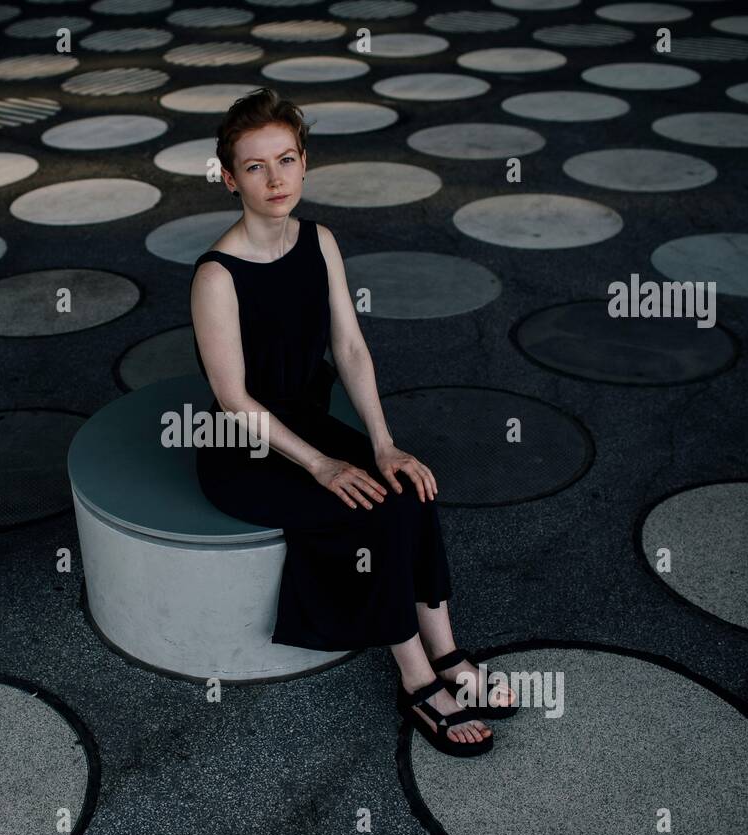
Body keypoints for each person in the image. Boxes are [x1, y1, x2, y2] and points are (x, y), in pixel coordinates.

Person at [189, 88, 518, 758]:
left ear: (305, 163)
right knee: (366, 510)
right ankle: (418, 681)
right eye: (255, 166)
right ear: (229, 179)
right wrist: (321, 464)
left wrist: (383, 443)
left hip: (303, 421)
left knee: (409, 483)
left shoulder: (320, 241)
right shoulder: (216, 275)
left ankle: (449, 649)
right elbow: (232, 401)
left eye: (286, 159)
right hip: (242, 448)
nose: (275, 178)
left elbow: (351, 349)